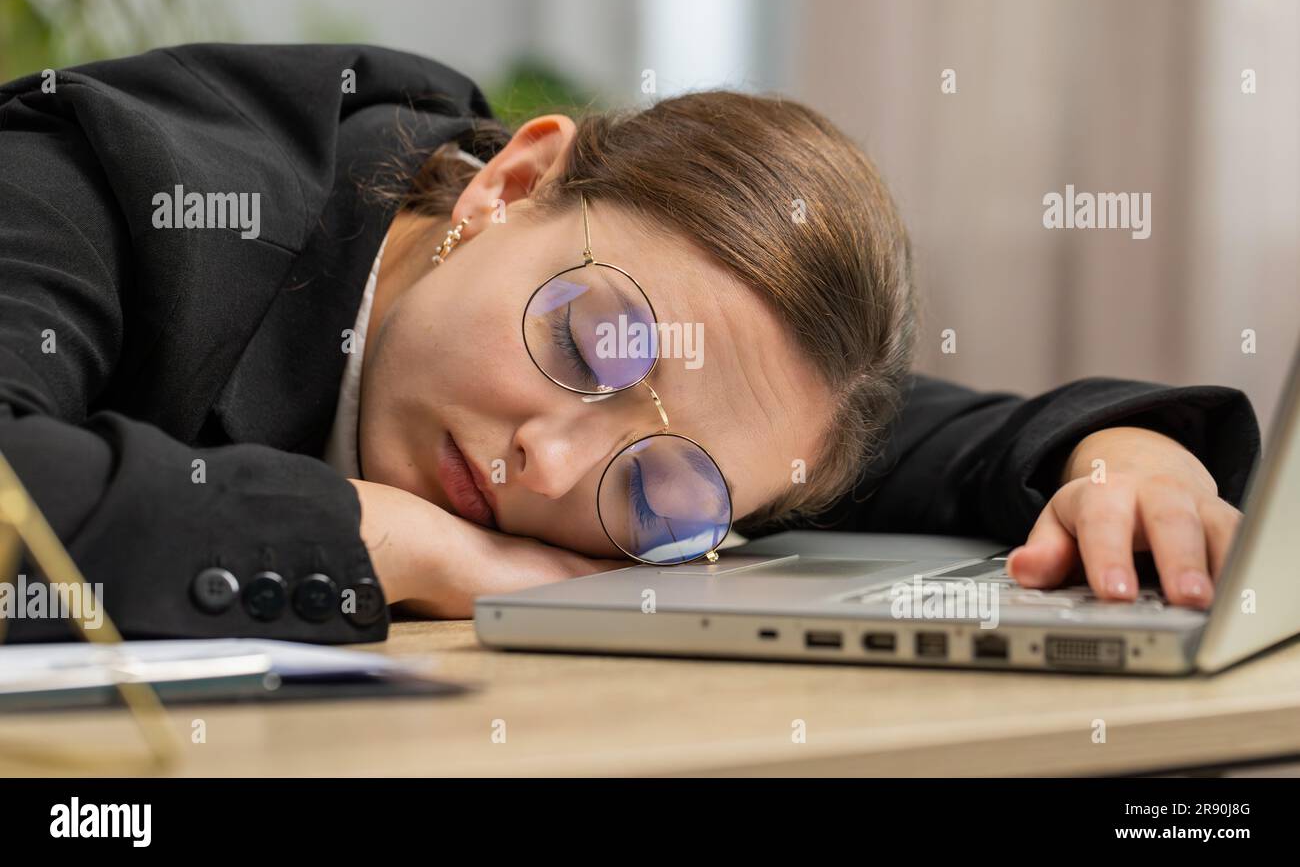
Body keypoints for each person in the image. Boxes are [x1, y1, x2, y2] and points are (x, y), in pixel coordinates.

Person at [0, 44, 1258, 644]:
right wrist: (389, 536)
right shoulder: (92, 191)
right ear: (513, 179)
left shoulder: (694, 433)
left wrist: (1122, 451)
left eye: (659, 486)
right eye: (594, 341)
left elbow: (911, 429)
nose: (550, 465)